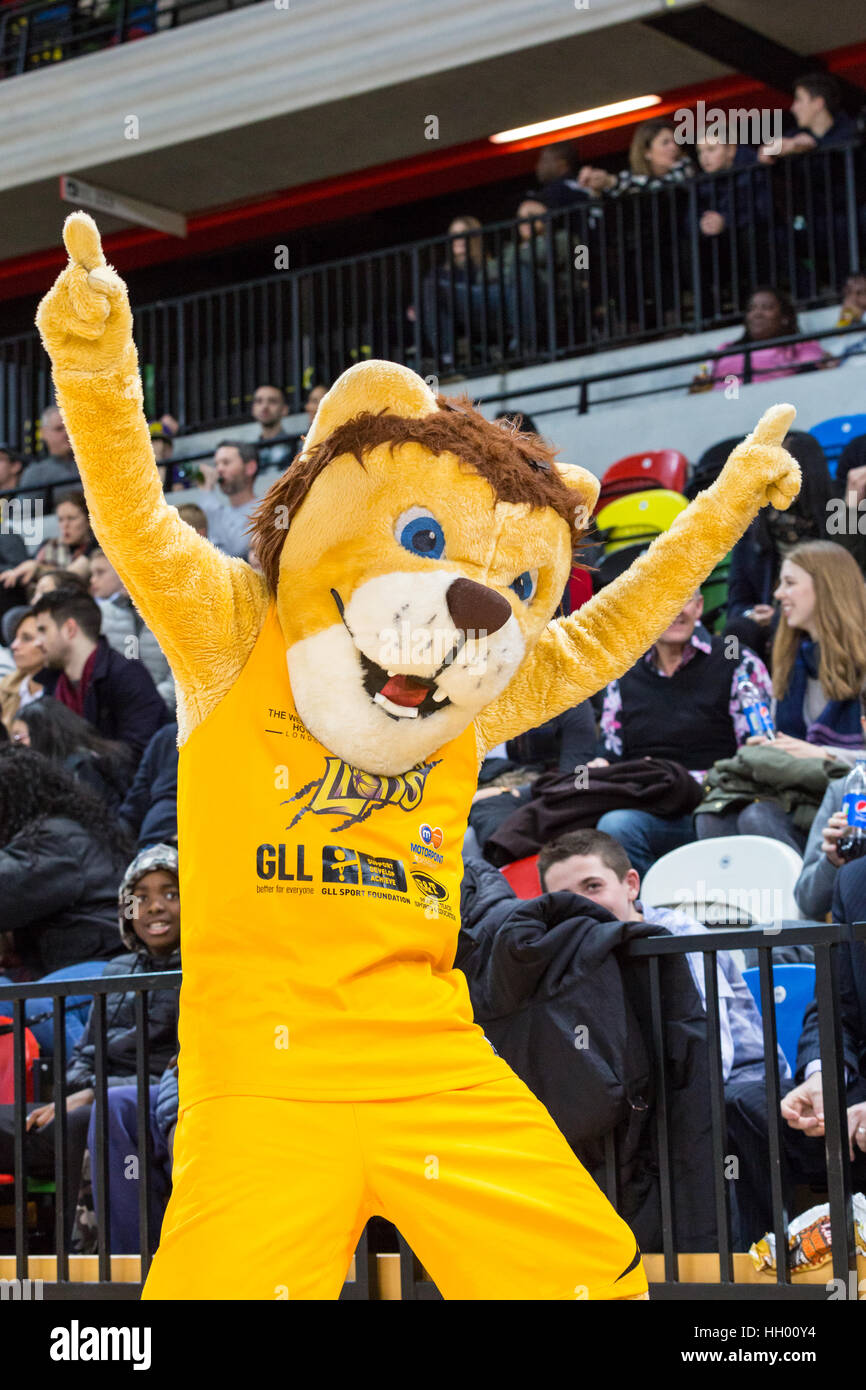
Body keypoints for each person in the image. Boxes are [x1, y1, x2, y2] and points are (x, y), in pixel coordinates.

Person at [0, 842, 181, 1251]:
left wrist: (92, 1093)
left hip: (137, 1106)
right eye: (141, 897)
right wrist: (78, 1091)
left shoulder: (201, 971)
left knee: (92, 1118)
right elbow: (83, 1056)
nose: (154, 907)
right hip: (86, 1100)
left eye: (170, 894)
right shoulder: (115, 971)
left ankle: (93, 1263)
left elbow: (173, 1069)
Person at [538, 828, 790, 1085]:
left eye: (593, 886)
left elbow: (713, 1053)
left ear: (631, 885)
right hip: (654, 1097)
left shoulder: (678, 935)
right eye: (564, 898)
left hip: (741, 1085)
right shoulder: (566, 950)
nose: (581, 905)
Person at [727, 855, 866, 1248]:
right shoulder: (855, 879)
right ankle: (769, 1270)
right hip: (858, 1095)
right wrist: (822, 1076)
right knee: (742, 1103)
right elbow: (835, 1007)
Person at [591, 591, 772, 876]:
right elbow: (611, 753)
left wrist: (678, 781)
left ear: (699, 606)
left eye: (685, 598)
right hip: (650, 806)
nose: (676, 610)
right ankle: (650, 913)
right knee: (614, 825)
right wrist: (599, 769)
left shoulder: (736, 659)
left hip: (718, 805)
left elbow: (759, 753)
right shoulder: (623, 670)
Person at [701, 543, 866, 850]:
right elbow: (790, 744)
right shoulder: (792, 658)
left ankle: (803, 898)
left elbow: (823, 755)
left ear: (827, 587)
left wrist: (825, 754)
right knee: (714, 815)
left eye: (790, 583)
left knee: (758, 817)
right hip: (801, 787)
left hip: (850, 799)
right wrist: (770, 746)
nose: (777, 595)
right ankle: (732, 900)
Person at [0, 747, 129, 1052]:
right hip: (80, 963)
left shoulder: (53, 841)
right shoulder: (62, 833)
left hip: (107, 966)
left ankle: (85, 1080)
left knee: (33, 1003)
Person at [725, 430, 836, 663]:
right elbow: (737, 603)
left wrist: (785, 614)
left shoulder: (838, 520)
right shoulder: (752, 530)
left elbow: (851, 587)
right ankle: (745, 696)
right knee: (736, 632)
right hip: (769, 624)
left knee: (782, 625)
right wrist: (751, 614)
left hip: (826, 616)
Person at [32, 587, 171, 763]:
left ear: (69, 629)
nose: (37, 642)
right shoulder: (52, 682)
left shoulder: (127, 675)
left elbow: (142, 754)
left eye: (43, 630)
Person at [795, 682, 866, 921]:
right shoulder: (845, 791)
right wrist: (831, 861)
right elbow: (808, 902)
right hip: (853, 938)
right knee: (765, 940)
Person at [9, 696, 132, 814]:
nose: (14, 745)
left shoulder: (80, 768)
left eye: (18, 737)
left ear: (42, 734)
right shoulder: (49, 769)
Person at [89, 548, 175, 711]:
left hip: (165, 709)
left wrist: (151, 702)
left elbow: (181, 674)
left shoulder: (173, 611)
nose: (93, 580)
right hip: (118, 709)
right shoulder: (100, 615)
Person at [418, 216, 501, 369]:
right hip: (455, 317)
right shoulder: (440, 273)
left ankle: (448, 357)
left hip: (482, 311)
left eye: (464, 233)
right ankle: (447, 356)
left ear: (475, 238)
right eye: (454, 234)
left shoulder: (489, 266)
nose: (459, 239)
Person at [708, 287, 829, 390]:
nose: (757, 313)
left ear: (784, 318)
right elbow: (703, 382)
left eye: (766, 308)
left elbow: (810, 377)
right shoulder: (725, 348)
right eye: (752, 309)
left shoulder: (802, 345)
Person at [0, 488, 97, 592]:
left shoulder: (95, 549)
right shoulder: (48, 545)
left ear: (88, 520)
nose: (65, 525)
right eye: (61, 519)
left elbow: (74, 576)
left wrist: (39, 569)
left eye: (72, 518)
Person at [578, 118, 694, 195]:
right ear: (647, 152)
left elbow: (660, 185)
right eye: (665, 143)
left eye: (675, 141)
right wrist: (598, 184)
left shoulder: (685, 166)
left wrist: (611, 181)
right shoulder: (634, 178)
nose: (673, 147)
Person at [758, 72, 856, 163]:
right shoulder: (795, 135)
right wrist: (791, 145)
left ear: (818, 103)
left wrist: (810, 144)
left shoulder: (852, 131)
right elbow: (764, 153)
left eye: (799, 100)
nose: (793, 108)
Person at [117, 722, 179, 849]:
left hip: (157, 831)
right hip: (198, 834)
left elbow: (137, 799)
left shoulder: (167, 734)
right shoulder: (224, 734)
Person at [197, 441, 259, 560]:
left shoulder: (268, 508)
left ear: (250, 468)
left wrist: (207, 492)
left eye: (226, 463)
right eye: (217, 464)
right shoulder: (219, 511)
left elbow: (237, 549)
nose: (219, 469)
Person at [0, 607, 45, 732]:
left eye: (26, 638)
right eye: (15, 638)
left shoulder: (62, 693)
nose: (14, 646)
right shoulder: (5, 687)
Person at [17, 405, 78, 490]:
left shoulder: (93, 466)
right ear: (43, 433)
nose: (66, 433)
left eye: (70, 428)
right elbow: (27, 503)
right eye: (59, 429)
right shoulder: (37, 473)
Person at [251, 384, 298, 470]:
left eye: (272, 401)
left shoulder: (297, 448)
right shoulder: (249, 452)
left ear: (284, 409)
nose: (264, 406)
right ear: (253, 409)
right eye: (259, 401)